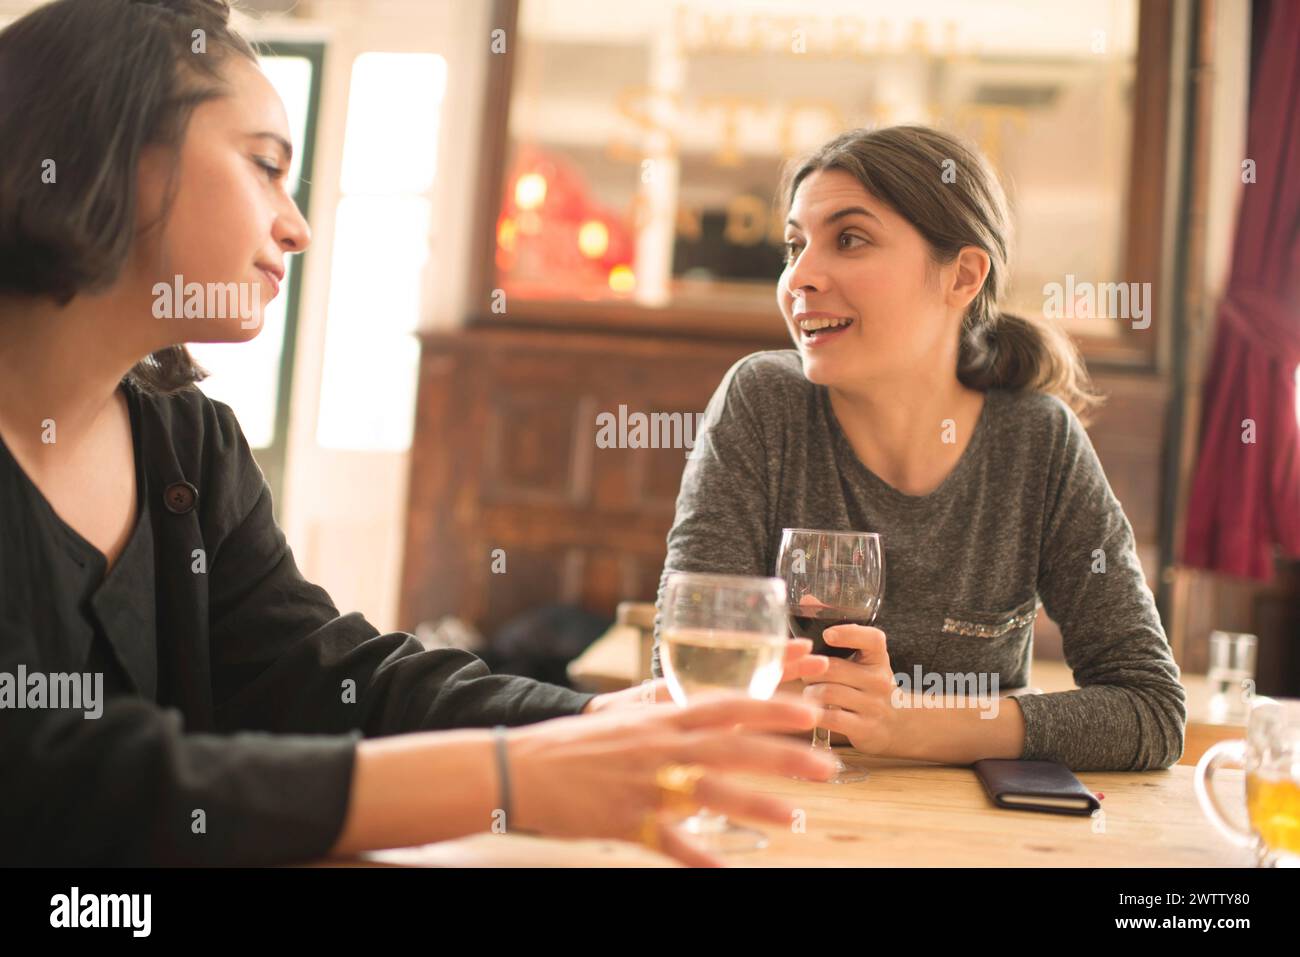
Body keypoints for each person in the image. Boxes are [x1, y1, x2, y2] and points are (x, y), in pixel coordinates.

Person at [0, 0, 836, 868]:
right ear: (109, 151)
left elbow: (320, 674)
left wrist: (585, 717)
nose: (297, 227)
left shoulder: (187, 440)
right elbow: (53, 778)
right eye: (264, 167)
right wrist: (507, 777)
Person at [653, 125, 1187, 772]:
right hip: (791, 814)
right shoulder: (764, 404)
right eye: (795, 245)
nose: (800, 277)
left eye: (849, 239)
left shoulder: (1036, 444)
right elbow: (693, 678)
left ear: (962, 275)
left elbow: (1150, 709)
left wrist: (904, 721)